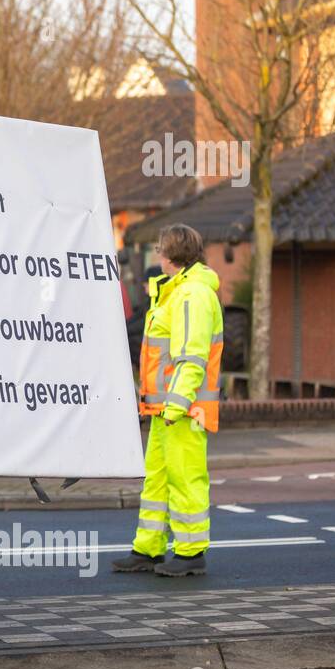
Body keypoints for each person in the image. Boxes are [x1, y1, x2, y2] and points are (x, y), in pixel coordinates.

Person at [113, 224, 224, 577]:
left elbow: (192, 358)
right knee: (158, 479)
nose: (158, 256)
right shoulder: (175, 292)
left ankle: (191, 554)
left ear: (168, 255)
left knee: (185, 477)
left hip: (183, 410)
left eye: (159, 250)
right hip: (166, 409)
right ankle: (148, 549)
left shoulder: (192, 295)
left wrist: (176, 405)